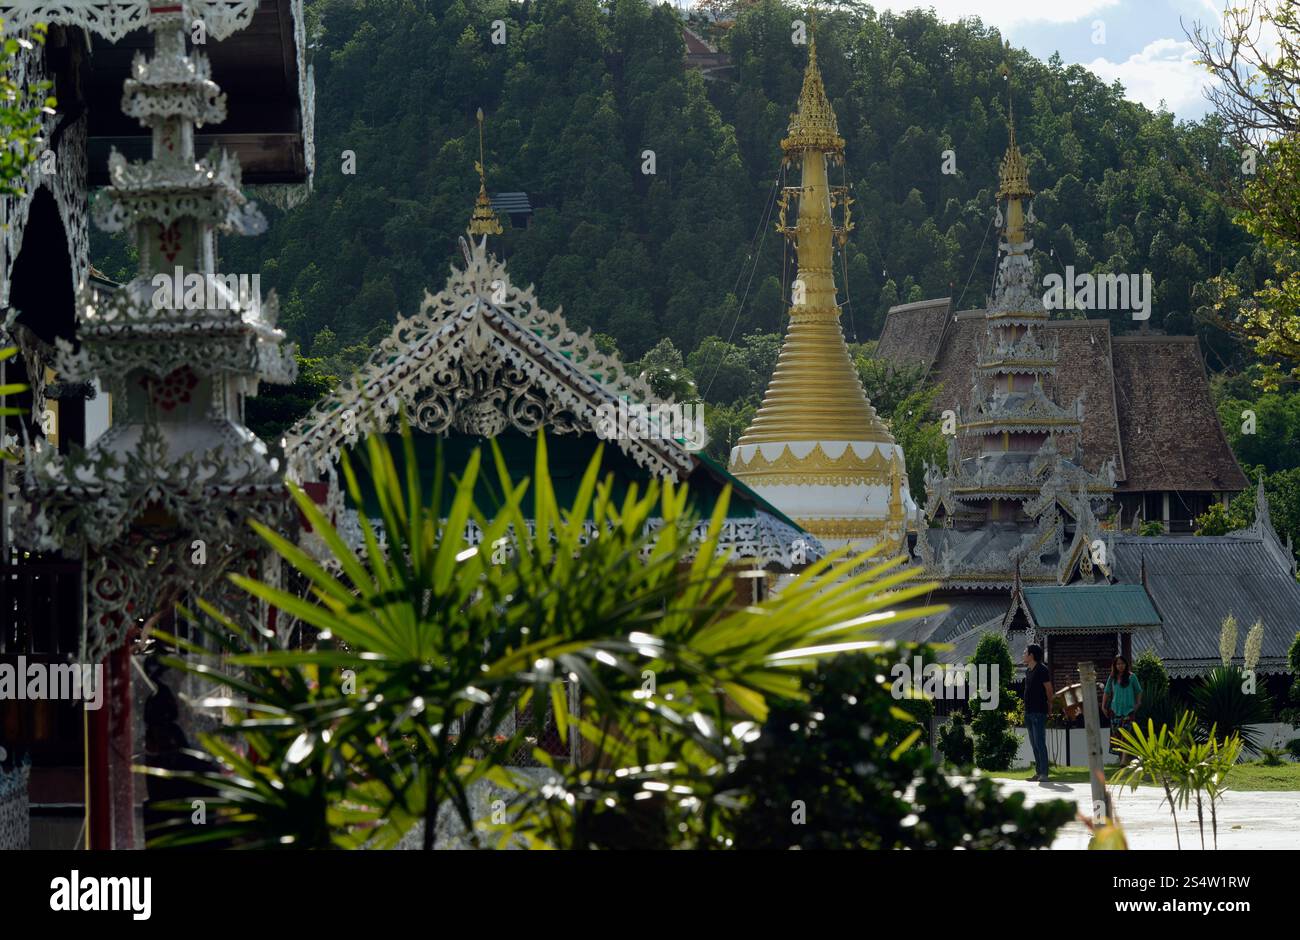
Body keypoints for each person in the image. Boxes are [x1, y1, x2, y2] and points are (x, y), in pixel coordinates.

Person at [1023, 644, 1054, 782]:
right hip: (1028, 711)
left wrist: (1050, 705)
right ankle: (1038, 771)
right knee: (1034, 743)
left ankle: (1044, 773)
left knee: (1040, 742)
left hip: (1039, 711)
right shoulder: (1028, 671)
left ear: (1031, 655)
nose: (1023, 655)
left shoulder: (1042, 669)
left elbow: (1048, 689)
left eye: (1025, 653)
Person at [1103, 655, 1143, 755]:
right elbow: (1107, 692)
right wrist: (1103, 706)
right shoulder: (1112, 678)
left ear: (1126, 665)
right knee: (1117, 738)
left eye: (1122, 663)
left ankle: (1124, 762)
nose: (1120, 666)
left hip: (1129, 711)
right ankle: (1122, 763)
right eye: (1118, 664)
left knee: (1126, 737)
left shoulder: (1132, 677)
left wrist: (1138, 703)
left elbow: (1138, 691)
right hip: (1115, 711)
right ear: (1115, 665)